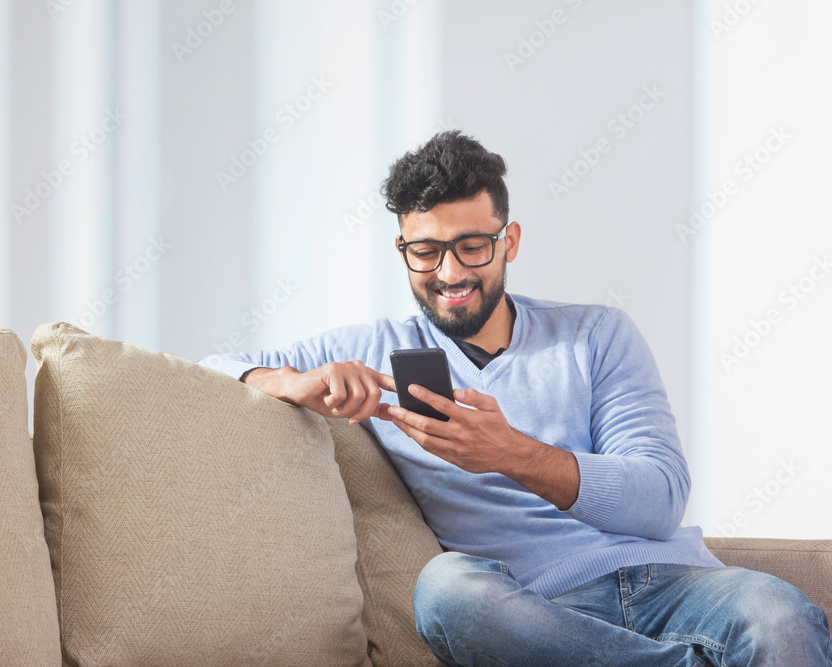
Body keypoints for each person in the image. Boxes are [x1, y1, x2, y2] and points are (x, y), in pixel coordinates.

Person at [198, 131, 832, 665]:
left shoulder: (596, 334)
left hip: (673, 581)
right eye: (425, 251)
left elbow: (660, 499)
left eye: (472, 246)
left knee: (776, 612)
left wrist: (510, 453)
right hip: (539, 613)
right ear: (403, 251)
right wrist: (284, 380)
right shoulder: (375, 345)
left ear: (511, 241)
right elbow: (207, 366)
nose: (449, 273)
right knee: (447, 591)